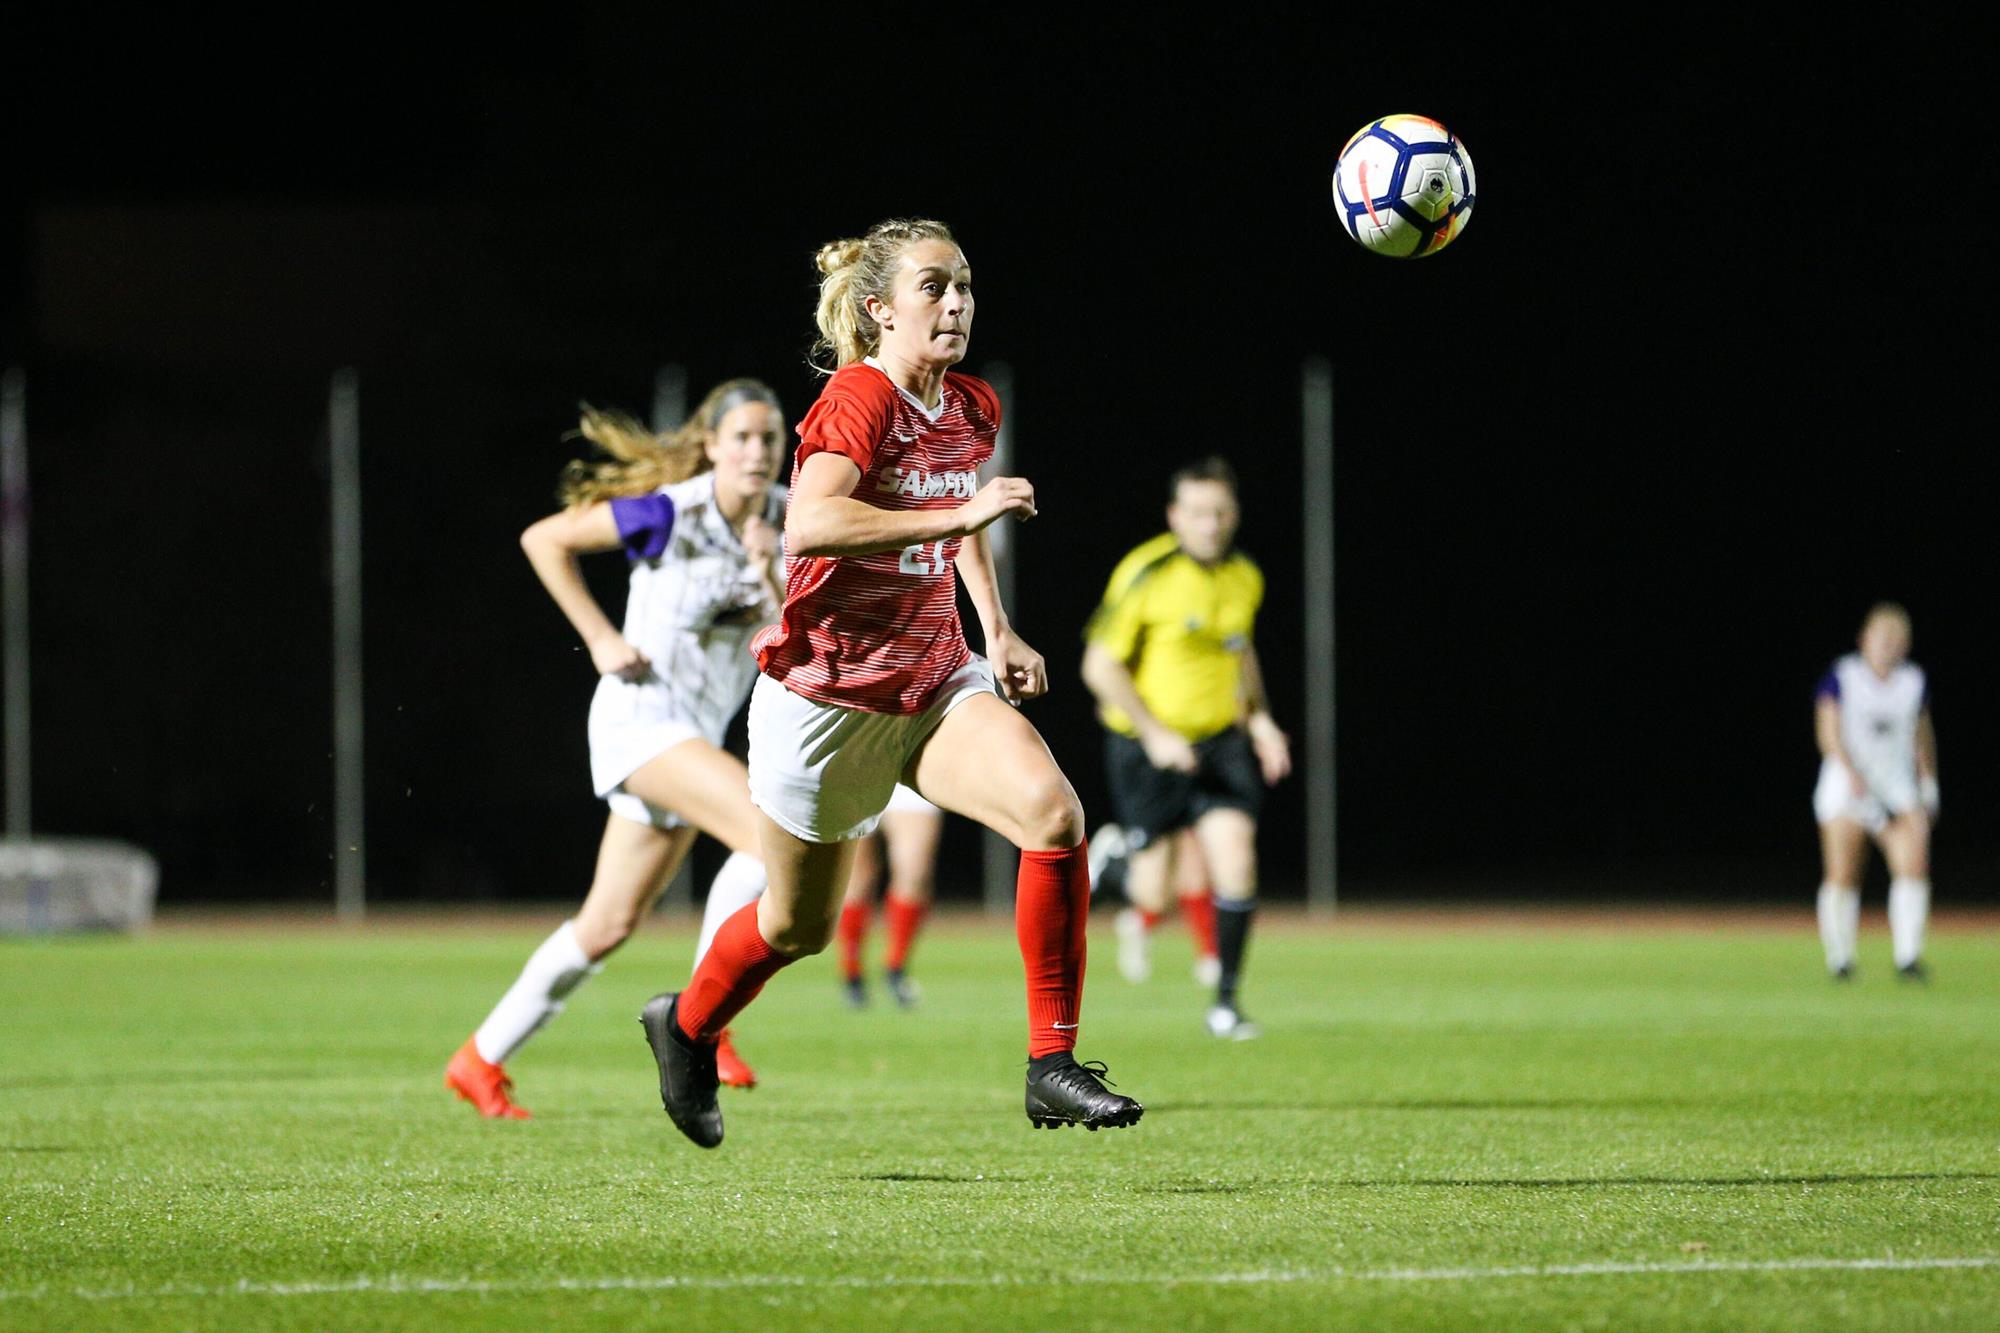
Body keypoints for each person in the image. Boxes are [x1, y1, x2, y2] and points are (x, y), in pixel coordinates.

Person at [637, 217, 1143, 1149]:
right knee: (798, 927)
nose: (957, 304)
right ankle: (687, 1024)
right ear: (879, 309)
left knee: (1053, 814)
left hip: (934, 680)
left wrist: (996, 627)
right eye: (934, 287)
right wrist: (959, 513)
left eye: (966, 286)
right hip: (824, 702)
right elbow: (812, 523)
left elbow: (960, 519)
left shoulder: (971, 405)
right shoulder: (859, 398)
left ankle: (1052, 1062)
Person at [444, 380, 788, 1118]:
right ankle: (703, 1024)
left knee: (606, 925)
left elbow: (806, 637)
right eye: (742, 437)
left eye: (769, 437)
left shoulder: (791, 522)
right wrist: (601, 637)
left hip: (691, 738)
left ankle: (480, 1057)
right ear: (711, 445)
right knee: (770, 836)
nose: (757, 451)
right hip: (642, 723)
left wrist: (769, 570)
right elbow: (545, 539)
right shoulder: (670, 511)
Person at [1080, 458, 1291, 1039]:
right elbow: (1099, 666)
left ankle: (1225, 1003)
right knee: (1155, 891)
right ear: (1175, 516)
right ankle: (1118, 865)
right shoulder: (1147, 572)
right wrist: (1154, 732)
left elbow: (1240, 652)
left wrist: (1261, 721)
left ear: (1235, 515)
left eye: (1220, 512)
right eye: (1198, 512)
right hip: (1146, 746)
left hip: (1220, 743)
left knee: (1236, 860)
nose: (1210, 524)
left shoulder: (1244, 575)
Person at [1813, 602, 1940, 981]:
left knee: (1913, 863)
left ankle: (1908, 956)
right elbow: (1828, 732)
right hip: (1848, 787)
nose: (1889, 645)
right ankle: (1841, 958)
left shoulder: (1913, 681)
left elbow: (1922, 736)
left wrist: (1928, 783)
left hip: (1895, 788)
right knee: (1843, 871)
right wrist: (1849, 772)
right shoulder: (1843, 676)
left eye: (1897, 638)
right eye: (1882, 637)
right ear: (1864, 639)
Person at [836, 784, 944, 1008]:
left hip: (906, 773)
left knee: (915, 872)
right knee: (856, 878)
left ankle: (896, 968)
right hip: (856, 772)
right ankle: (852, 971)